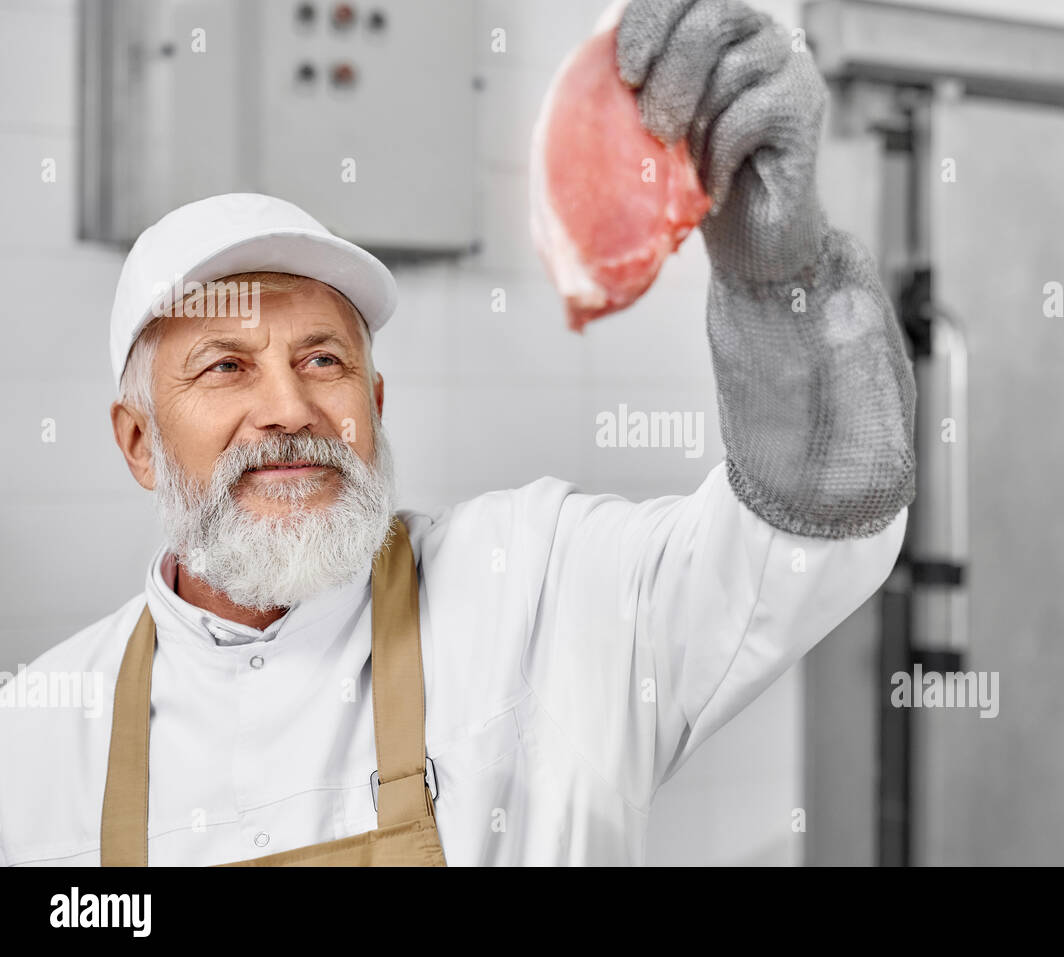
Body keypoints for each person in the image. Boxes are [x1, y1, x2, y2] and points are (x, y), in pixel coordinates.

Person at [0, 0, 915, 866]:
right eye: (225, 367)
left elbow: (796, 538)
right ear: (138, 442)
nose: (289, 408)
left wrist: (780, 282)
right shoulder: (36, 738)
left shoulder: (534, 591)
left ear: (377, 403)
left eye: (325, 361)